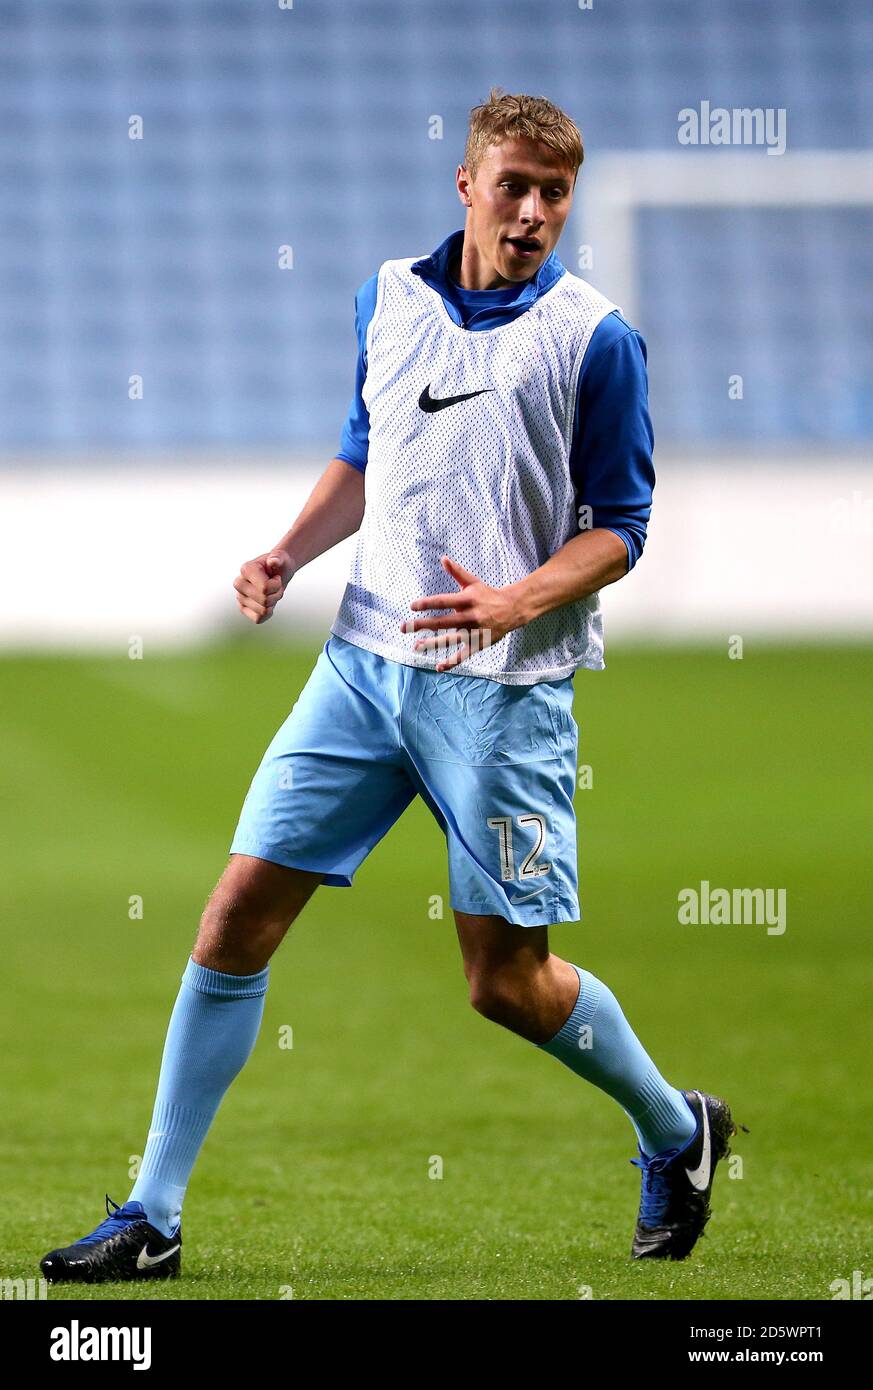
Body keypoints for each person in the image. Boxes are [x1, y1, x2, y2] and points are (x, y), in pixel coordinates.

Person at [40, 87, 738, 1285]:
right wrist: (287, 552)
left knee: (504, 983)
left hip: (503, 694)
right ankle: (152, 1213)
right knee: (232, 921)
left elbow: (623, 524)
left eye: (554, 194)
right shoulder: (387, 298)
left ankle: (678, 1131)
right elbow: (368, 450)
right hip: (361, 673)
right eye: (513, 185)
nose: (532, 212)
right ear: (465, 184)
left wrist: (518, 598)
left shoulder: (594, 340)